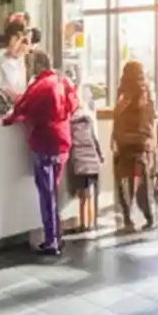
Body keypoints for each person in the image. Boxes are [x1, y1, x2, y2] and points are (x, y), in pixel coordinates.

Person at [3, 50, 78, 255]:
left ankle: (51, 240)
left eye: (29, 64)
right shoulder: (63, 81)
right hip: (62, 142)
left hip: (45, 142)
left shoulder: (39, 86)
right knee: (54, 192)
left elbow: (22, 109)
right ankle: (57, 236)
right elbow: (74, 105)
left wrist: (8, 119)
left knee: (46, 194)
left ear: (36, 65)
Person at [112, 60, 157, 231]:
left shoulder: (125, 92)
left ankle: (128, 219)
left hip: (124, 144)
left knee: (123, 182)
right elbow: (151, 120)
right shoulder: (148, 93)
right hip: (142, 144)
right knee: (142, 181)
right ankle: (149, 216)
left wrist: (114, 138)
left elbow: (117, 115)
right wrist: (151, 141)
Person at [67, 89, 103, 234]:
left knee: (83, 196)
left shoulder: (70, 122)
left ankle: (83, 223)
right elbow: (95, 139)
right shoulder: (89, 119)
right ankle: (91, 222)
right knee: (91, 194)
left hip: (79, 162)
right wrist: (100, 155)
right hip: (92, 160)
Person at [0, 16, 31, 110]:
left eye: (24, 41)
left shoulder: (29, 60)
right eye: (17, 40)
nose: (20, 45)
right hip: (2, 108)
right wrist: (8, 94)